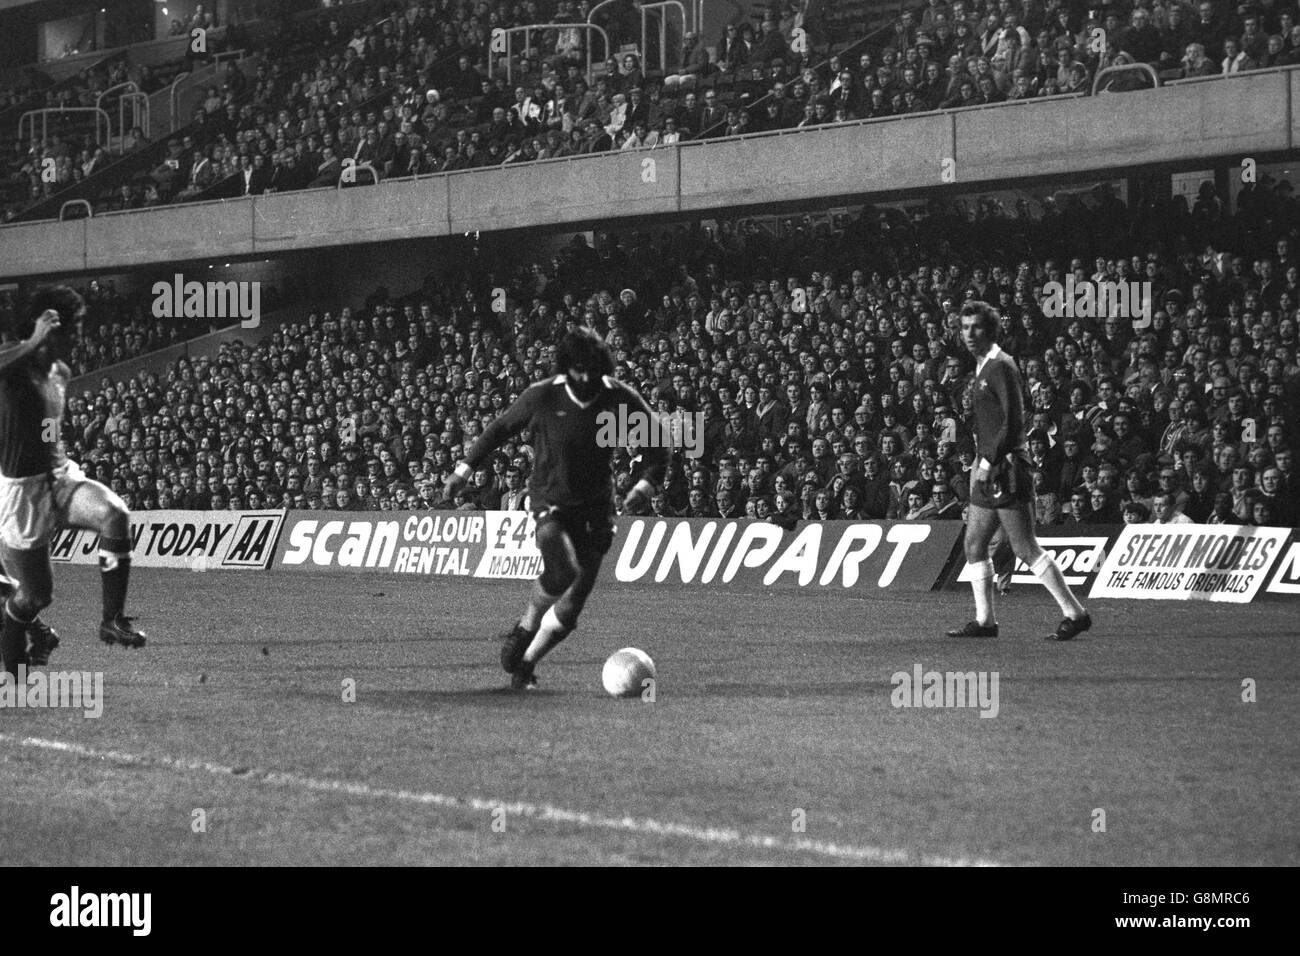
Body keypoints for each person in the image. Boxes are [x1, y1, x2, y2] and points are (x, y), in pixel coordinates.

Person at [443, 329, 669, 690]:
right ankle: (526, 625)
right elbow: (499, 429)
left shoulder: (619, 398)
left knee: (573, 605)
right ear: (567, 367)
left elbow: (660, 446)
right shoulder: (543, 396)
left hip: (597, 510)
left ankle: (527, 664)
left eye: (592, 370)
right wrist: (463, 470)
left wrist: (645, 484)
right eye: (578, 369)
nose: (585, 377)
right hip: (550, 502)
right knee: (561, 569)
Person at [0, 287, 146, 678]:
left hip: (59, 476)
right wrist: (32, 341)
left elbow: (49, 426)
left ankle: (111, 620)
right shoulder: (15, 372)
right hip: (22, 492)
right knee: (34, 596)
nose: (81, 336)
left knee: (115, 515)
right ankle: (13, 676)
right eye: (75, 327)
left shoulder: (61, 373)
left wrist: (53, 455)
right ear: (50, 331)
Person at [947, 302, 1092, 641]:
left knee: (1025, 547)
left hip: (1005, 468)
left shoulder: (1001, 366)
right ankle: (985, 622)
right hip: (989, 468)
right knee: (974, 544)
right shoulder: (984, 365)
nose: (968, 334)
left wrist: (986, 463)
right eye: (964, 327)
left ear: (991, 330)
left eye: (976, 327)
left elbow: (1014, 424)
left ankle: (1076, 613)